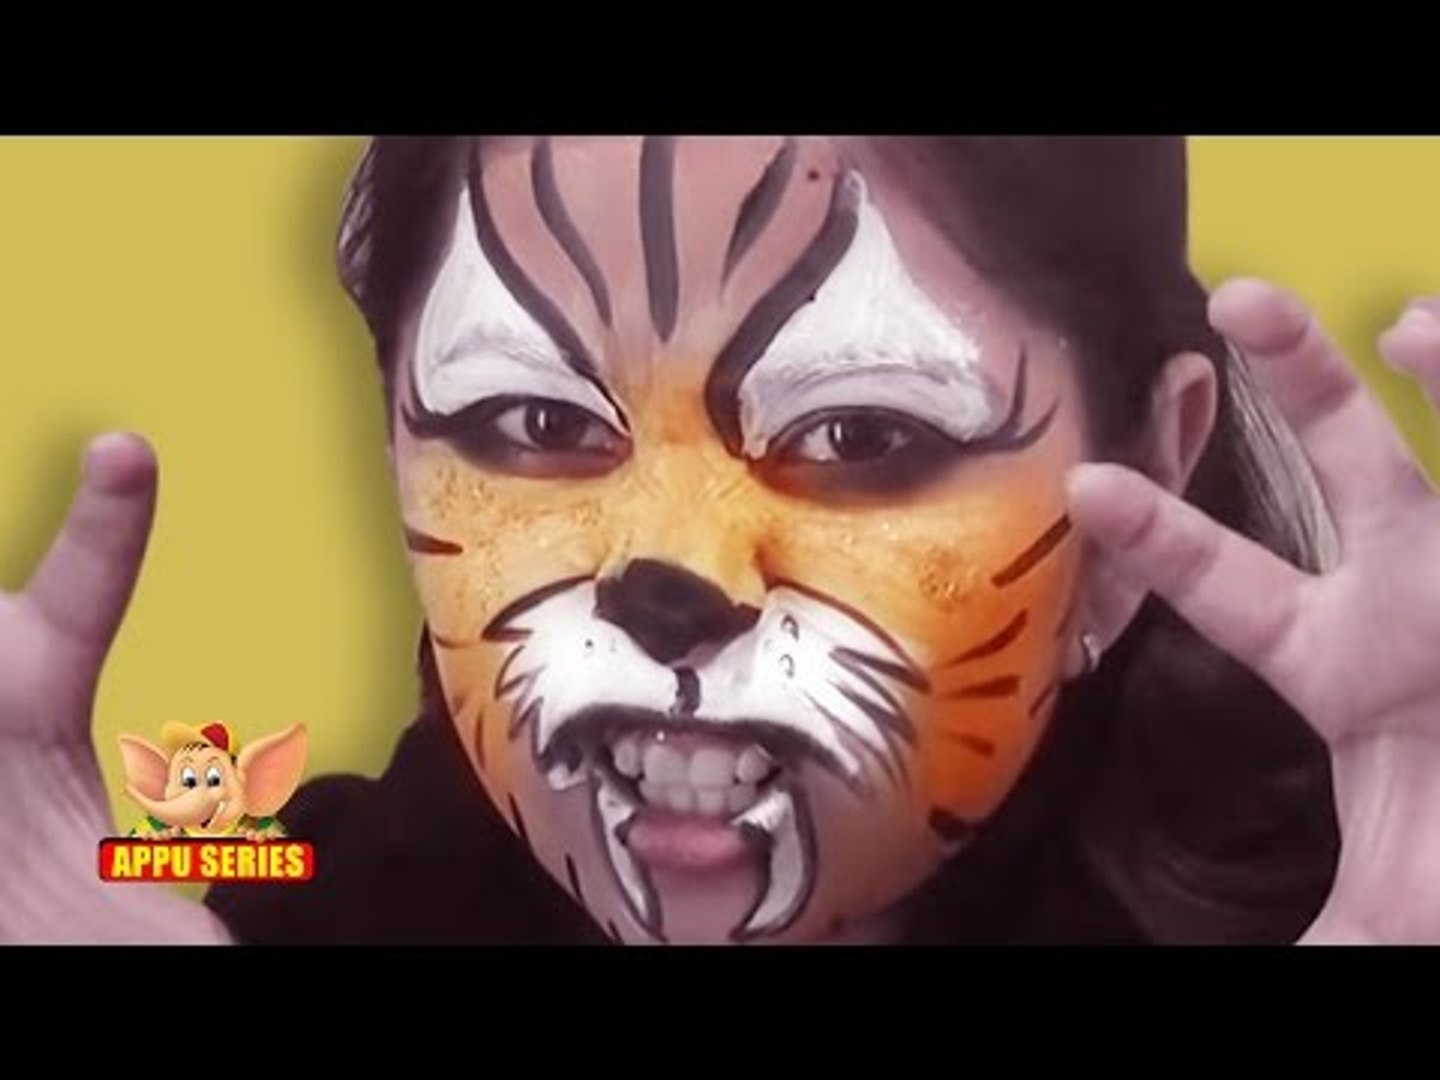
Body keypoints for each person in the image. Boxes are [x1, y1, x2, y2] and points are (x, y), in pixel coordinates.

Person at [3, 136, 1438, 945]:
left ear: (1139, 492)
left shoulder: (1356, 896)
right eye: (533, 422)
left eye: (858, 434)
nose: (671, 573)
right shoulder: (319, 909)